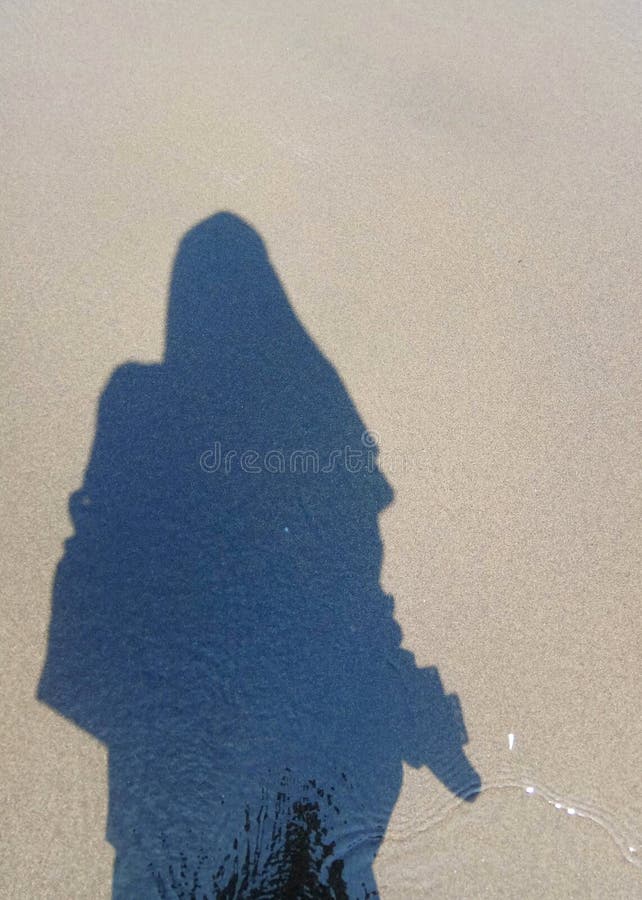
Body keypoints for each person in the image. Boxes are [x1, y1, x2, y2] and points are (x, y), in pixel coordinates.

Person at [39, 212, 480, 897]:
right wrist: (402, 702)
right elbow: (354, 593)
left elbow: (95, 552)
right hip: (309, 780)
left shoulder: (138, 400)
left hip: (172, 771)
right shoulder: (319, 426)